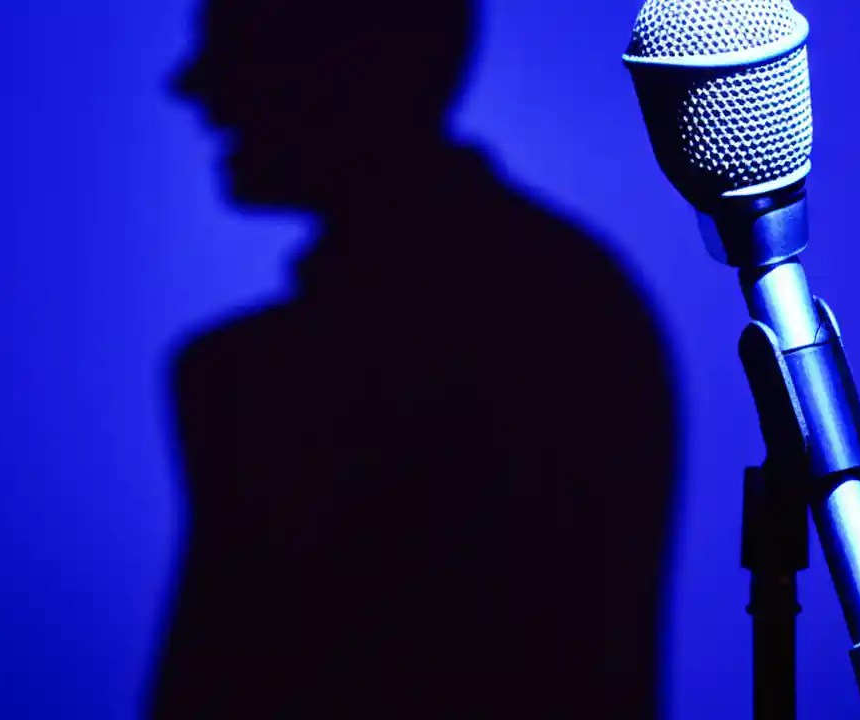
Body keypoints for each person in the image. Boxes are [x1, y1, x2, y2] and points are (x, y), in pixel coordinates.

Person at [150, 1, 678, 716]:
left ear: (350, 57)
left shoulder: (525, 319)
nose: (193, 83)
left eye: (235, 40)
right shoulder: (556, 297)